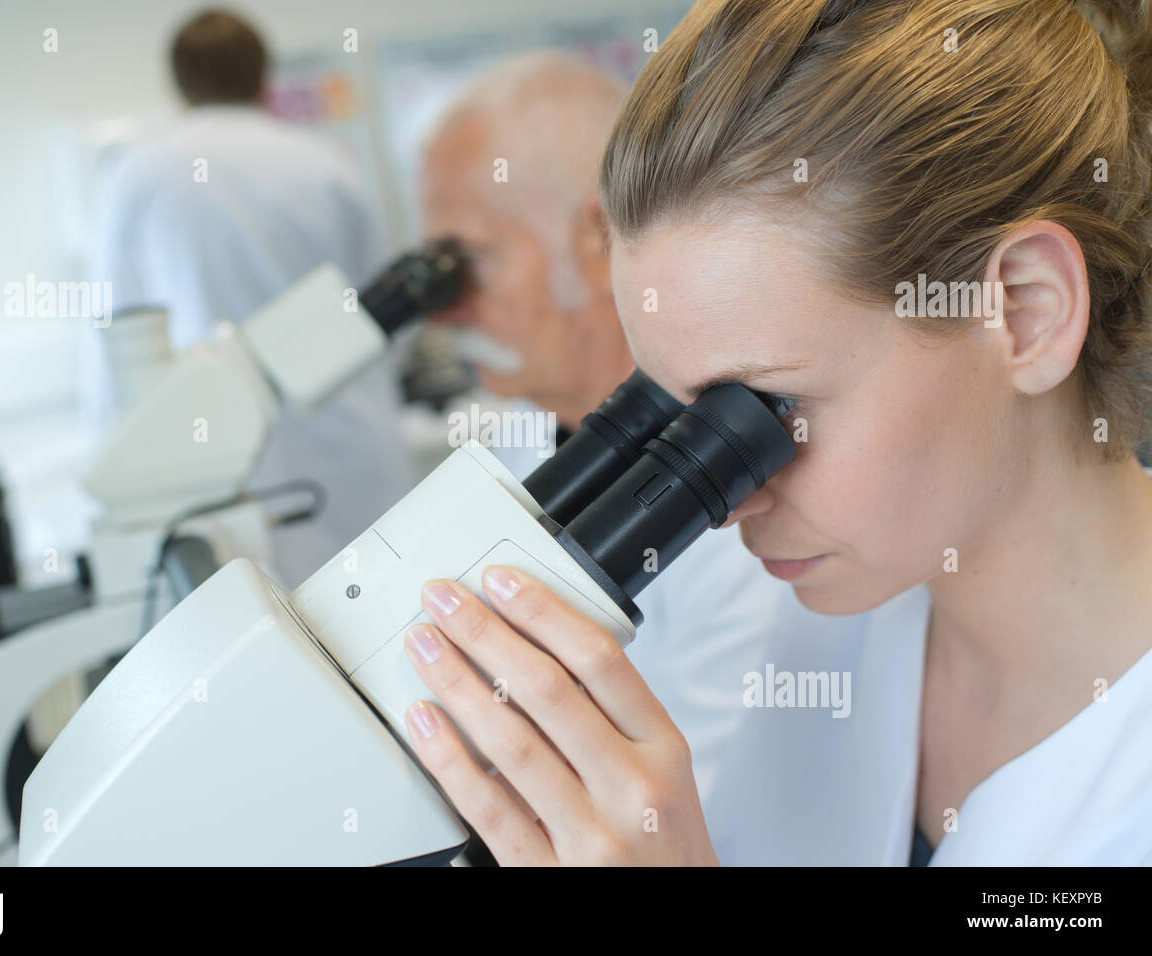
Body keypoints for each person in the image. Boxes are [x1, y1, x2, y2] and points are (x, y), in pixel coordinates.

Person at [401, 0, 1152, 865]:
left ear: (1023, 312)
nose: (727, 505)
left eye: (769, 411)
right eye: (689, 417)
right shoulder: (837, 628)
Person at [419, 50, 804, 860]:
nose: (446, 313)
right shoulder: (514, 437)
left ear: (597, 236)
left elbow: (712, 829)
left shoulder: (757, 512)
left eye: (471, 262)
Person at [82, 9, 418, 586]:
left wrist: (107, 467)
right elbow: (391, 308)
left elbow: (118, 332)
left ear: (179, 82)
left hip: (221, 455)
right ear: (264, 75)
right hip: (352, 439)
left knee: (266, 640)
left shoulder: (140, 172)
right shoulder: (327, 164)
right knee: (385, 623)